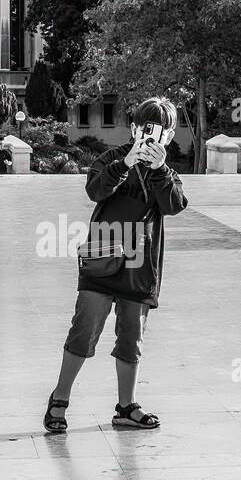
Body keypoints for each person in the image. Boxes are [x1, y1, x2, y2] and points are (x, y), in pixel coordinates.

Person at [44, 98, 188, 434]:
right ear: (135, 128)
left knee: (131, 339)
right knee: (84, 331)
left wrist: (160, 170)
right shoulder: (112, 158)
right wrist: (125, 163)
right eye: (145, 127)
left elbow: (174, 205)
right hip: (102, 258)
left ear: (167, 135)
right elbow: (95, 190)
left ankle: (127, 406)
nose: (152, 135)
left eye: (161, 130)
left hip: (139, 266)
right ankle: (59, 399)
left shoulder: (164, 170)